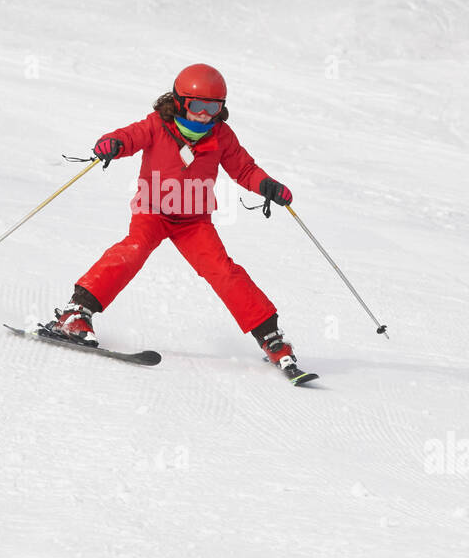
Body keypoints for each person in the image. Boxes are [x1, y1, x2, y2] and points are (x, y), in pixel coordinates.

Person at [44, 63, 302, 371]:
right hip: (152, 211)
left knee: (223, 270)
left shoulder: (221, 135)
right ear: (179, 102)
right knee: (133, 250)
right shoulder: (156, 125)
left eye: (214, 106)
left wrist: (266, 185)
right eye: (198, 105)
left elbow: (243, 169)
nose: (205, 113)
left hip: (193, 222)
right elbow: (129, 136)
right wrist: (113, 144)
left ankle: (271, 337)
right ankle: (75, 313)